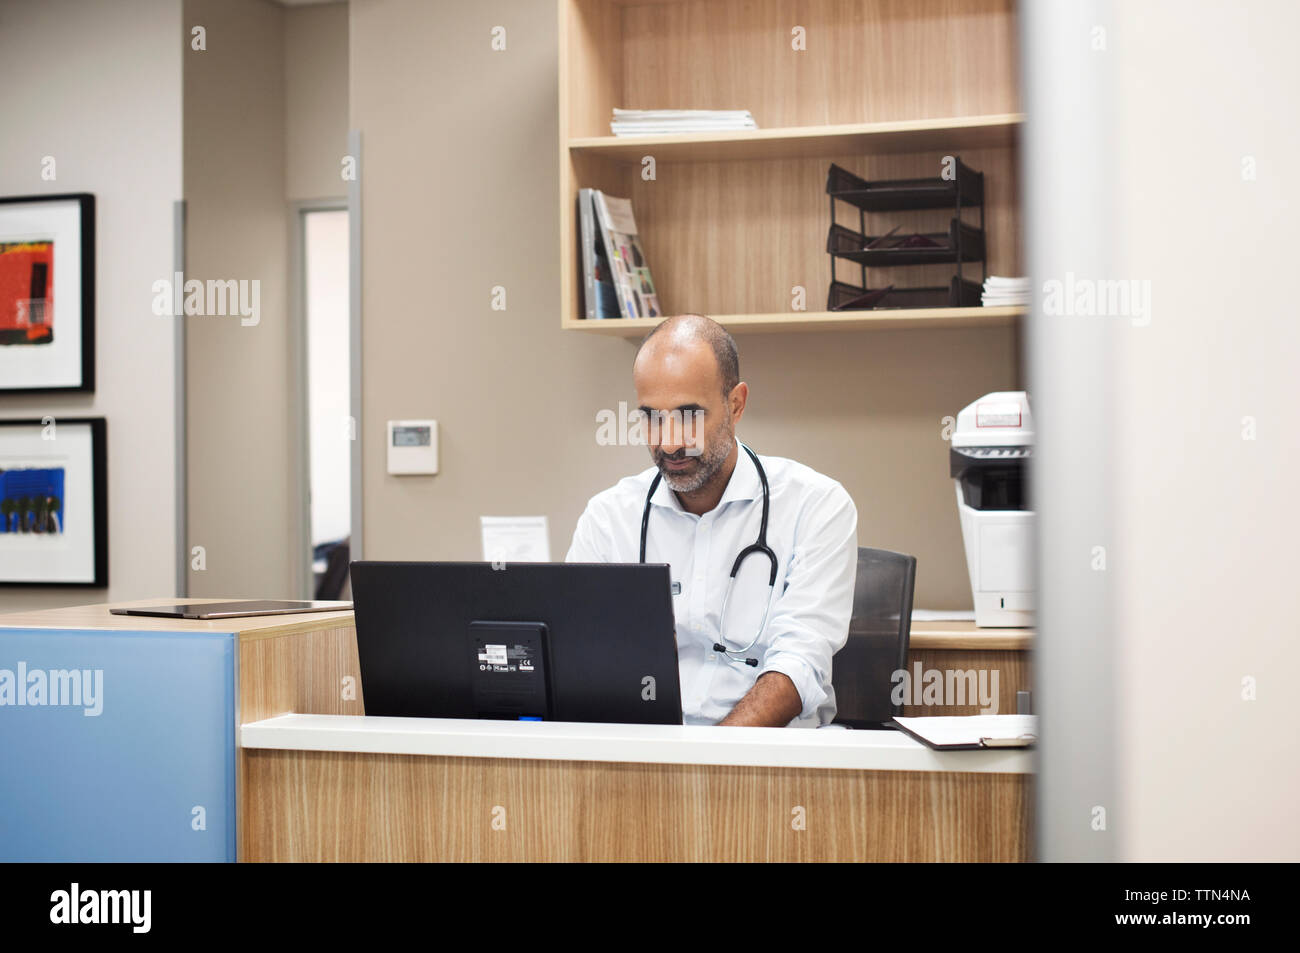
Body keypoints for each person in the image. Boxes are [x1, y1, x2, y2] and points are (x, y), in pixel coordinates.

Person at [566, 314, 858, 727]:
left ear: (735, 404)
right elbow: (577, 656)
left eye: (689, 415)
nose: (669, 442)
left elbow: (797, 666)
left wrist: (705, 763)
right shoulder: (610, 518)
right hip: (646, 757)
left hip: (767, 760)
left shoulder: (817, 507)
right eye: (651, 416)